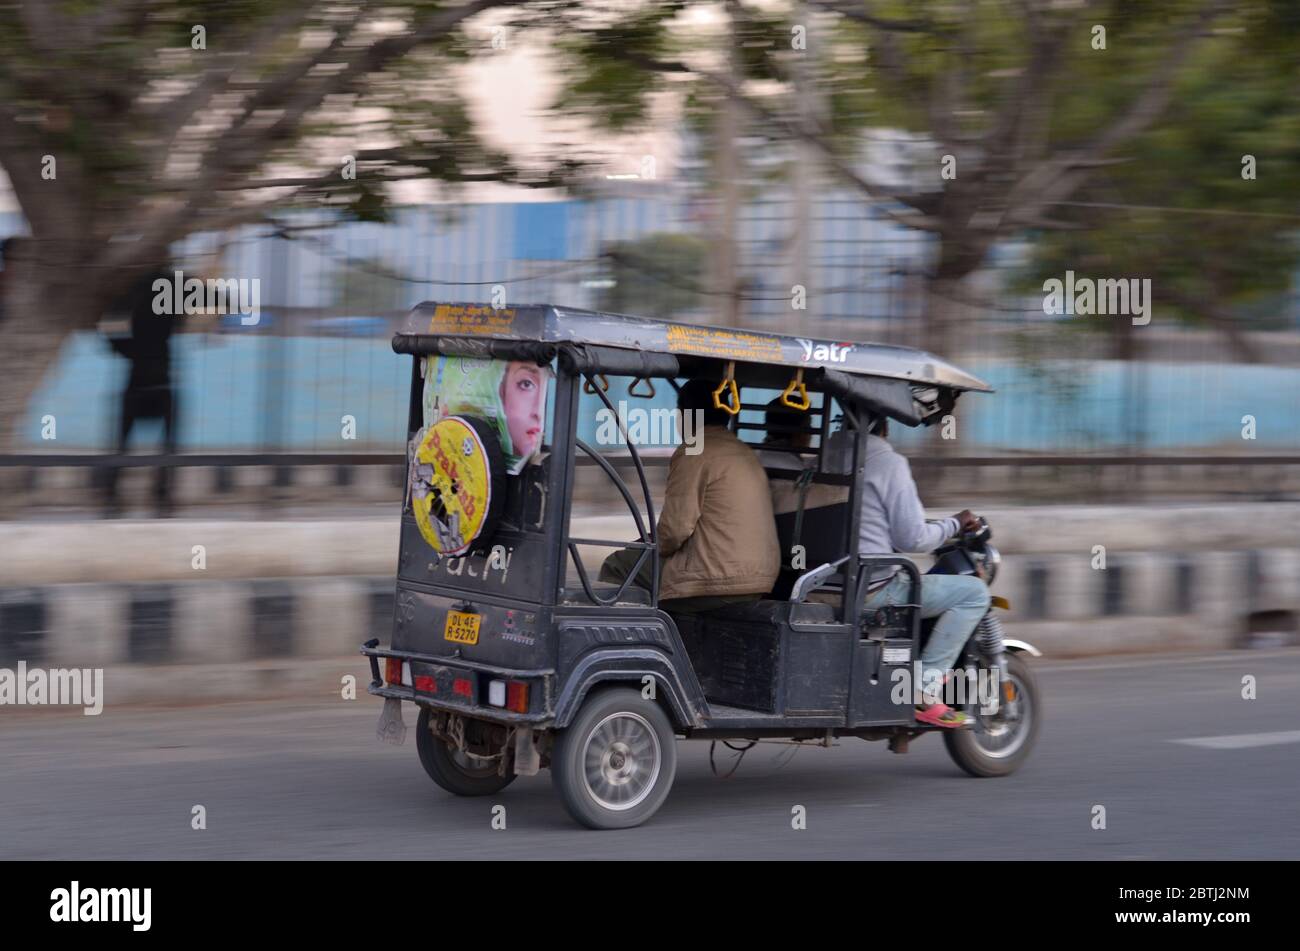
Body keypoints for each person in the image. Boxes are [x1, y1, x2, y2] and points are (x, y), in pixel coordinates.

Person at [600, 378, 781, 613]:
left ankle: (635, 640)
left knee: (619, 564)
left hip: (714, 580)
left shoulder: (694, 450)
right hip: (759, 578)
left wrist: (649, 544)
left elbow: (675, 530)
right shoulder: (742, 450)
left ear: (686, 415)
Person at [857, 417, 988, 727]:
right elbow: (913, 538)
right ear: (885, 425)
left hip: (822, 581)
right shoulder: (888, 463)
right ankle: (922, 688)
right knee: (974, 594)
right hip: (871, 588)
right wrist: (955, 522)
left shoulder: (827, 454)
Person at [101, 265, 179, 516]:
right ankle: (161, 494)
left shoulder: (132, 296)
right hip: (159, 380)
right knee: (166, 445)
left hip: (139, 379)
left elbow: (109, 330)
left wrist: (131, 353)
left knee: (123, 443)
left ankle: (113, 494)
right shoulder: (168, 295)